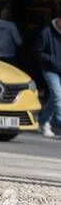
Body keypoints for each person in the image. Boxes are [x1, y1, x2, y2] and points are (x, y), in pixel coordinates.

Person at [34, 8, 61, 139]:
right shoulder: (47, 32)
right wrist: (51, 60)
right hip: (50, 69)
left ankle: (43, 122)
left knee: (53, 99)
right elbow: (38, 51)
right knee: (58, 96)